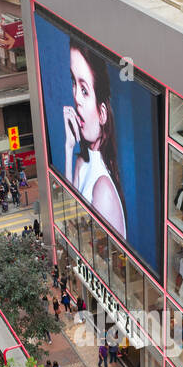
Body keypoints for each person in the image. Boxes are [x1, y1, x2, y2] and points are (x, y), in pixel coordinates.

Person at [62, 40, 126, 236]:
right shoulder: (83, 162)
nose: (76, 98)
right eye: (74, 82)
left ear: (103, 113)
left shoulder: (103, 188)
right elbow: (67, 213)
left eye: (84, 90)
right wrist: (68, 148)